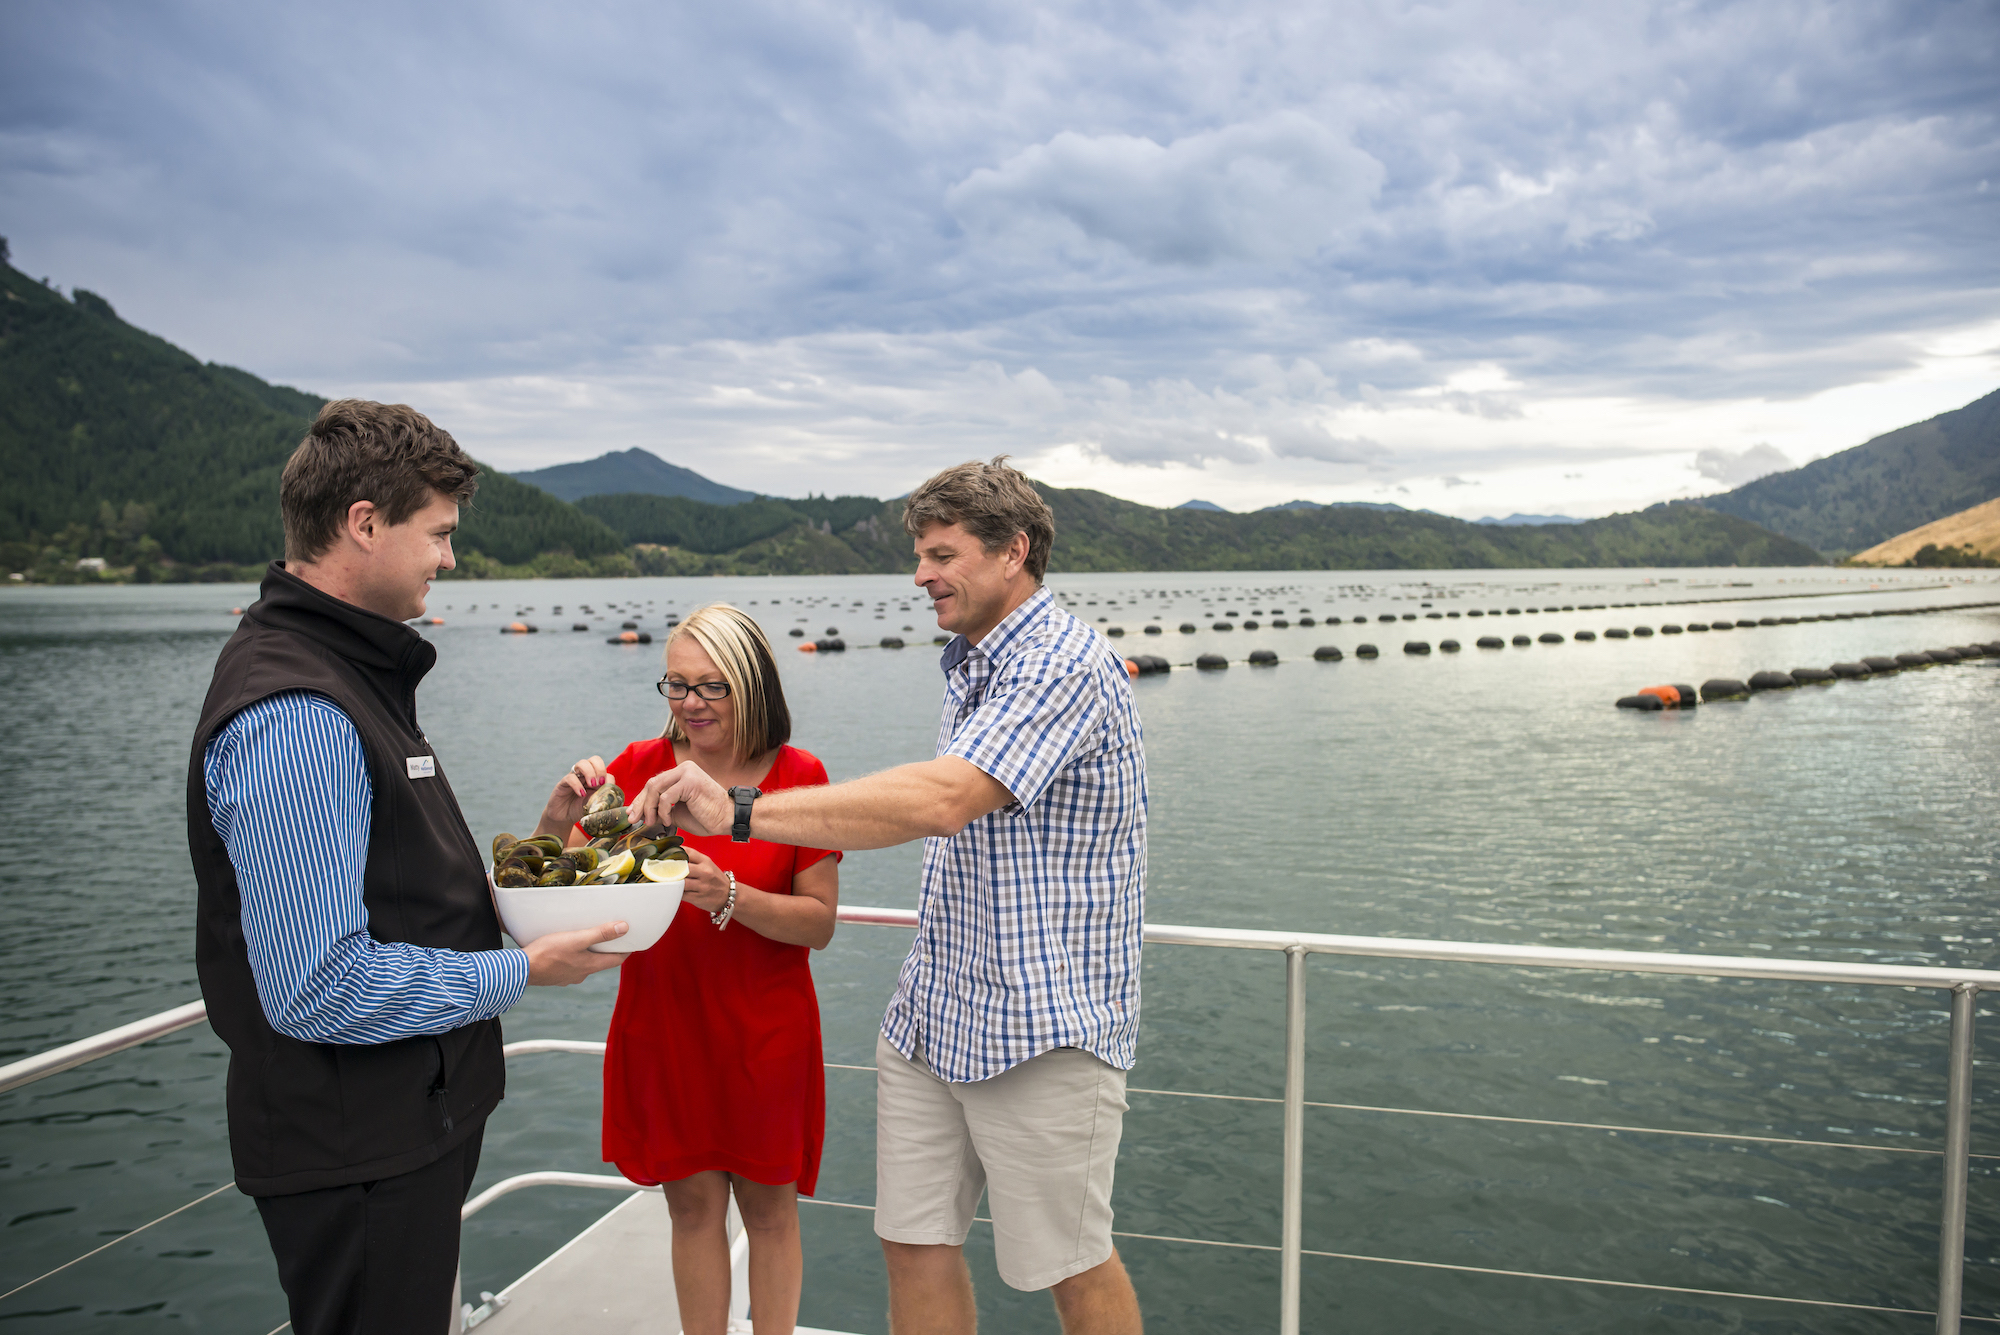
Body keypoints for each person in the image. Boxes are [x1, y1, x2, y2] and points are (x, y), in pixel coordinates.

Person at [630, 458, 1148, 1335]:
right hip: (934, 1015)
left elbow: (944, 800)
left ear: (1014, 550)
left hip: (1040, 1024)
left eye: (942, 553)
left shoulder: (1062, 663)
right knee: (912, 1243)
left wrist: (742, 808)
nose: (920, 574)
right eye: (920, 553)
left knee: (1070, 1262)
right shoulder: (974, 664)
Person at [188, 399, 630, 1335]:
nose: (449, 558)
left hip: (401, 1128)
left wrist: (548, 839)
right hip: (358, 1153)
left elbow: (404, 890)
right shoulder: (299, 709)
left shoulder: (345, 671)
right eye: (437, 533)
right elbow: (317, 985)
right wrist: (523, 970)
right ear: (362, 523)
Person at [533, 604, 839, 1335]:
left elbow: (818, 922)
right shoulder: (638, 765)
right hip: (665, 1021)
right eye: (676, 684)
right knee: (691, 1209)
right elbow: (556, 890)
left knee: (770, 1213)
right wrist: (553, 818)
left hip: (765, 1030)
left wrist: (726, 893)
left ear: (751, 683)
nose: (691, 704)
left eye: (711, 686)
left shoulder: (801, 777)